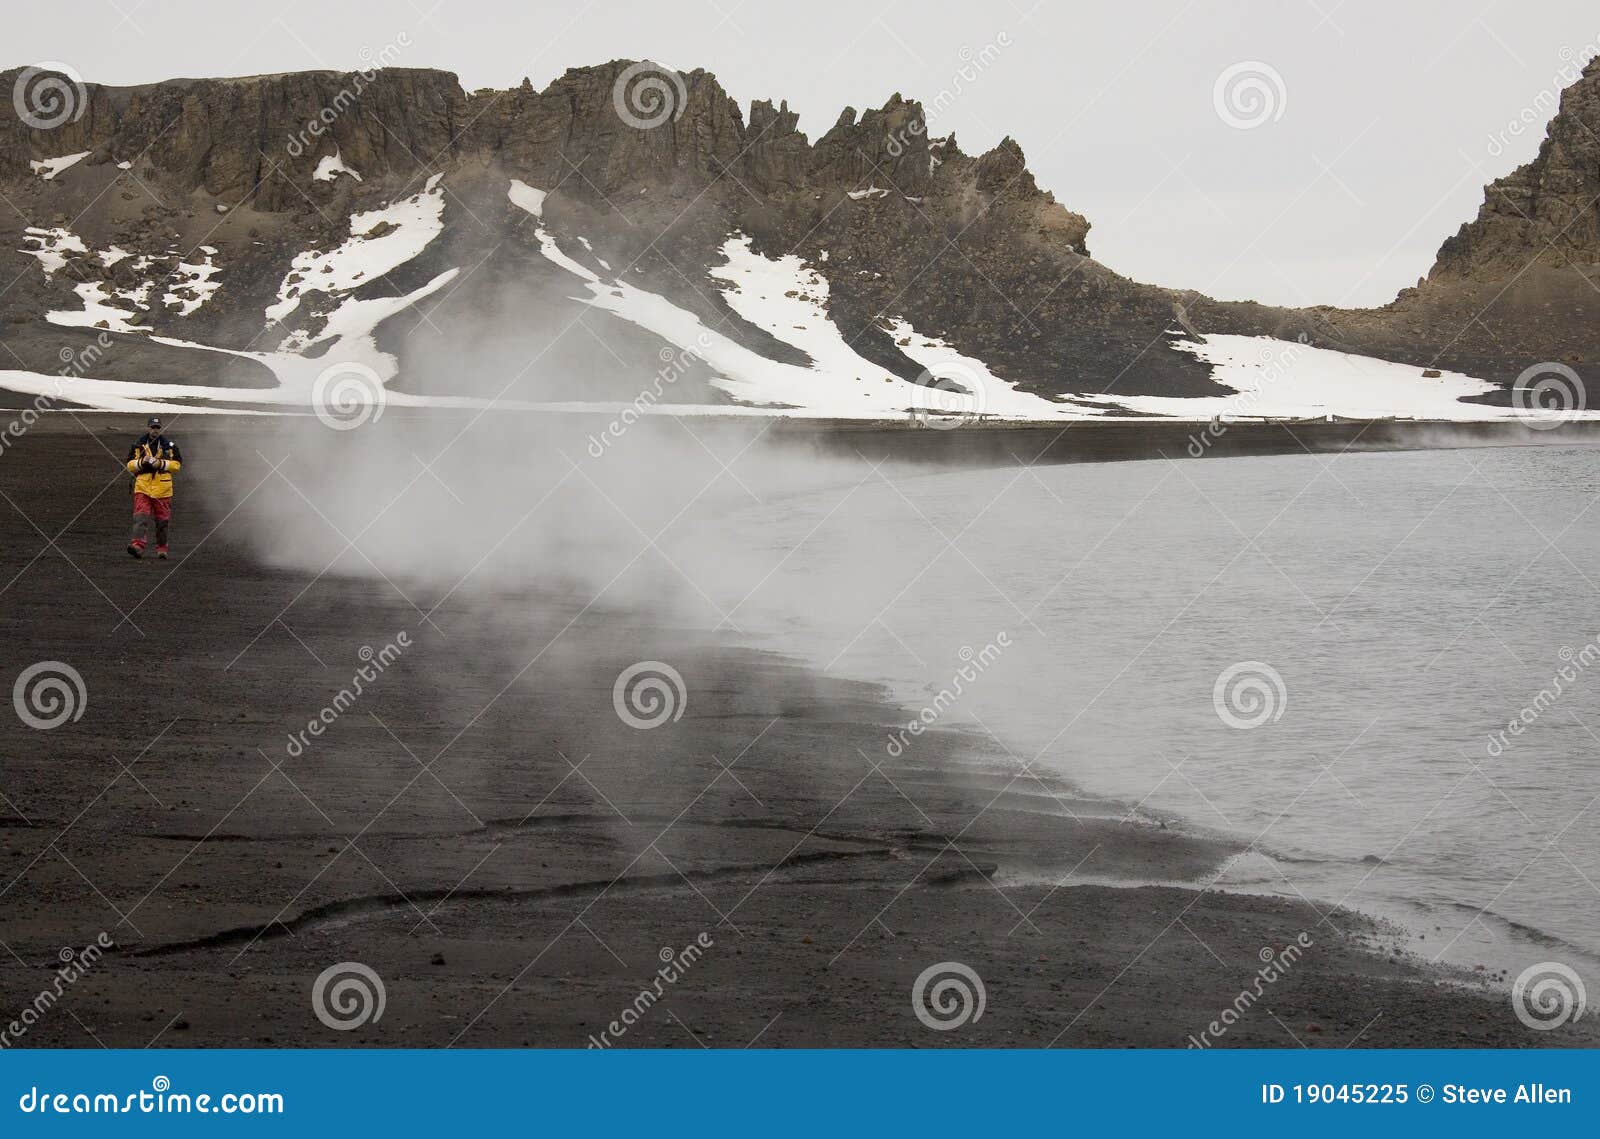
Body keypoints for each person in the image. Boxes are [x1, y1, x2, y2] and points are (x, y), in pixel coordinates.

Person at [125, 416, 183, 559]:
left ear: (160, 429)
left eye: (157, 428)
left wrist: (160, 464)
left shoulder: (170, 446)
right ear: (148, 428)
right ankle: (137, 546)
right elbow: (129, 464)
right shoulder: (138, 444)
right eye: (152, 427)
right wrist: (141, 462)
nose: (155, 430)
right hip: (143, 486)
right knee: (140, 517)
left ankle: (162, 549)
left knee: (162, 521)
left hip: (162, 488)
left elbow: (177, 465)